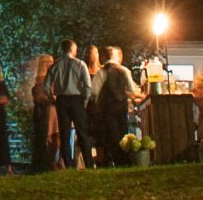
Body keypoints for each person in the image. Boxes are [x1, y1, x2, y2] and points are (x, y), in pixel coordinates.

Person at [92, 47, 140, 166]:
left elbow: (94, 92)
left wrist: (95, 102)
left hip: (107, 108)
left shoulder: (102, 72)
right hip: (122, 106)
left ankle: (113, 160)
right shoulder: (124, 70)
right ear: (115, 56)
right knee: (123, 133)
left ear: (105, 57)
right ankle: (124, 160)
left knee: (110, 136)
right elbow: (132, 89)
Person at [50, 42, 93, 170]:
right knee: (82, 132)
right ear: (72, 49)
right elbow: (87, 85)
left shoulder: (55, 66)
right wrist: (84, 101)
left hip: (61, 99)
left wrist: (53, 99)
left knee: (64, 133)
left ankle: (69, 164)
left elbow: (47, 86)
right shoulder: (80, 64)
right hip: (76, 99)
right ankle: (88, 163)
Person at [26, 53, 59, 172]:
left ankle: (53, 160)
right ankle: (46, 162)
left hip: (55, 111)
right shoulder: (40, 81)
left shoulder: (55, 77)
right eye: (47, 63)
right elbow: (40, 96)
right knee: (46, 137)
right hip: (45, 112)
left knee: (56, 137)